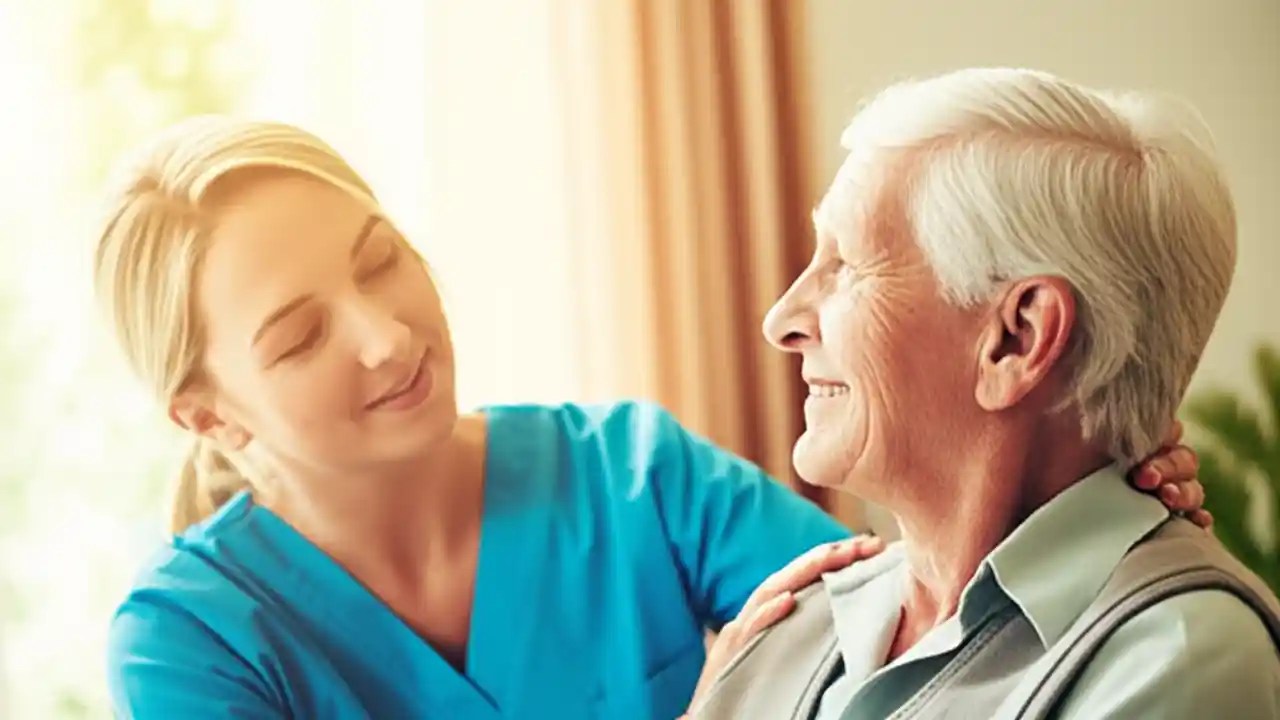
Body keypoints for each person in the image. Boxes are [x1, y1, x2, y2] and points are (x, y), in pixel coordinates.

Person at [97, 115, 1206, 719]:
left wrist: (1078, 488)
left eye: (380, 262)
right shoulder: (191, 641)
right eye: (298, 338)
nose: (386, 336)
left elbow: (927, 650)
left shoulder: (636, 479)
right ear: (212, 420)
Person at [688, 68, 1280, 719]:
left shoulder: (1177, 656)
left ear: (1016, 340)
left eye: (847, 264)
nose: (782, 320)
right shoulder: (788, 625)